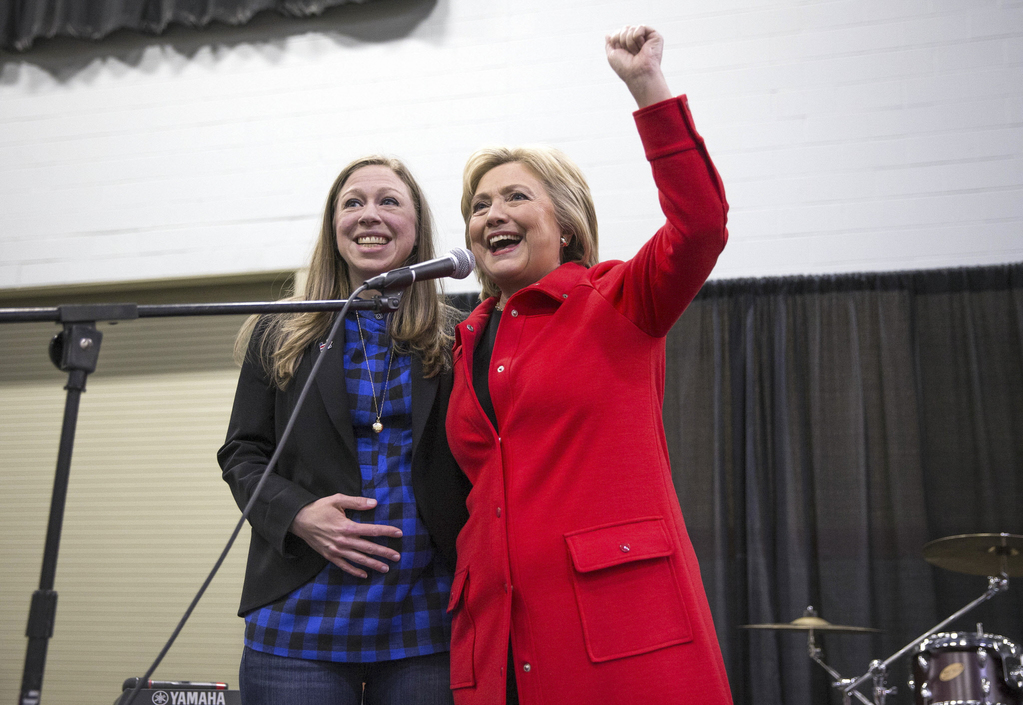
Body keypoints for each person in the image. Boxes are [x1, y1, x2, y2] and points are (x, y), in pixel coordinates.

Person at [444, 26, 733, 705]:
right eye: (478, 206)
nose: (492, 214)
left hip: (618, 638)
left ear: (565, 223)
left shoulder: (617, 300)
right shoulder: (466, 340)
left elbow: (701, 226)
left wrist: (646, 87)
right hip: (497, 642)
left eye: (515, 197)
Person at [218, 156, 471, 705]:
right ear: (334, 229)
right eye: (351, 203)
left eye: (388, 201)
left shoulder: (457, 338)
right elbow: (242, 453)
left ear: (417, 225)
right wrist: (298, 514)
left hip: (425, 617)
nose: (367, 215)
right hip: (300, 614)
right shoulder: (280, 329)